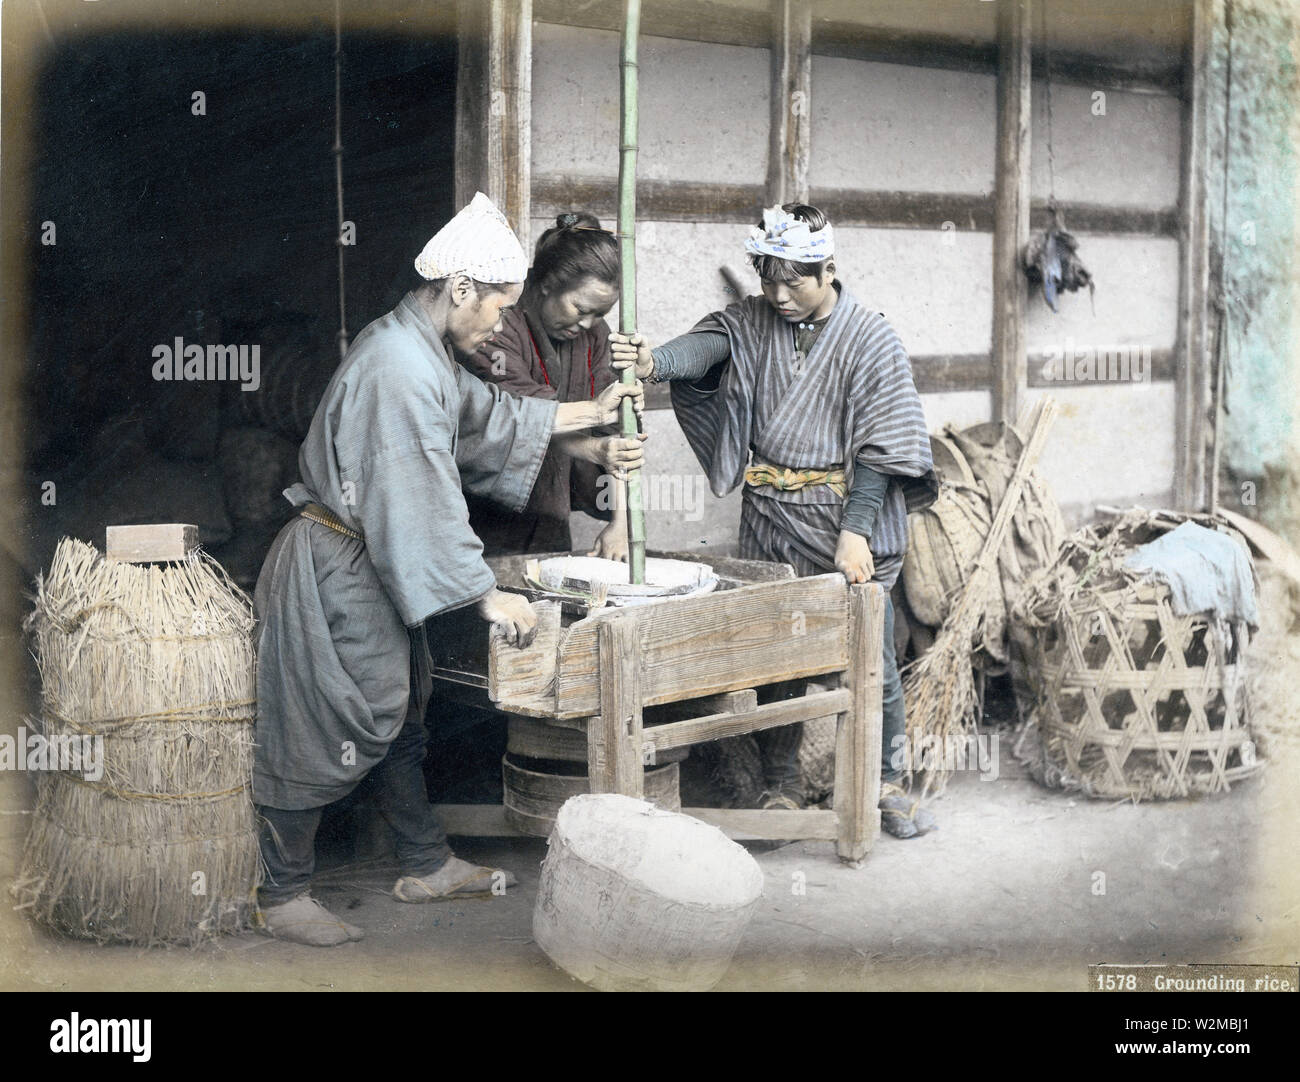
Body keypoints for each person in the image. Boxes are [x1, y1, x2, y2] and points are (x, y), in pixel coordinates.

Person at [252, 192, 644, 946]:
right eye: (497, 309)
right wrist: (484, 593)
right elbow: (415, 490)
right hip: (339, 563)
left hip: (369, 560)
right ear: (460, 289)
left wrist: (589, 414)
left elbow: (486, 415)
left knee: (397, 713)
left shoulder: (419, 348)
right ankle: (281, 894)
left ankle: (425, 861)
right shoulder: (397, 368)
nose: (501, 327)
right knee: (321, 720)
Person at [610, 203, 938, 836]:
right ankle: (781, 786)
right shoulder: (754, 320)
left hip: (847, 522)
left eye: (797, 281)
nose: (781, 296)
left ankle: (888, 784)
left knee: (872, 658)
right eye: (769, 280)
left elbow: (881, 445)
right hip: (771, 521)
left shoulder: (872, 337)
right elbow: (710, 346)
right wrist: (655, 362)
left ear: (829, 269)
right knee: (780, 660)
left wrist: (856, 533)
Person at [461, 211, 643, 559]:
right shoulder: (496, 324)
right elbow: (521, 414)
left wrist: (620, 524)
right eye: (580, 308)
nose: (587, 323)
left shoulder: (594, 335)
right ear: (548, 283)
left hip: (550, 512)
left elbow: (616, 430)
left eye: (599, 315)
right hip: (481, 514)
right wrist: (593, 439)